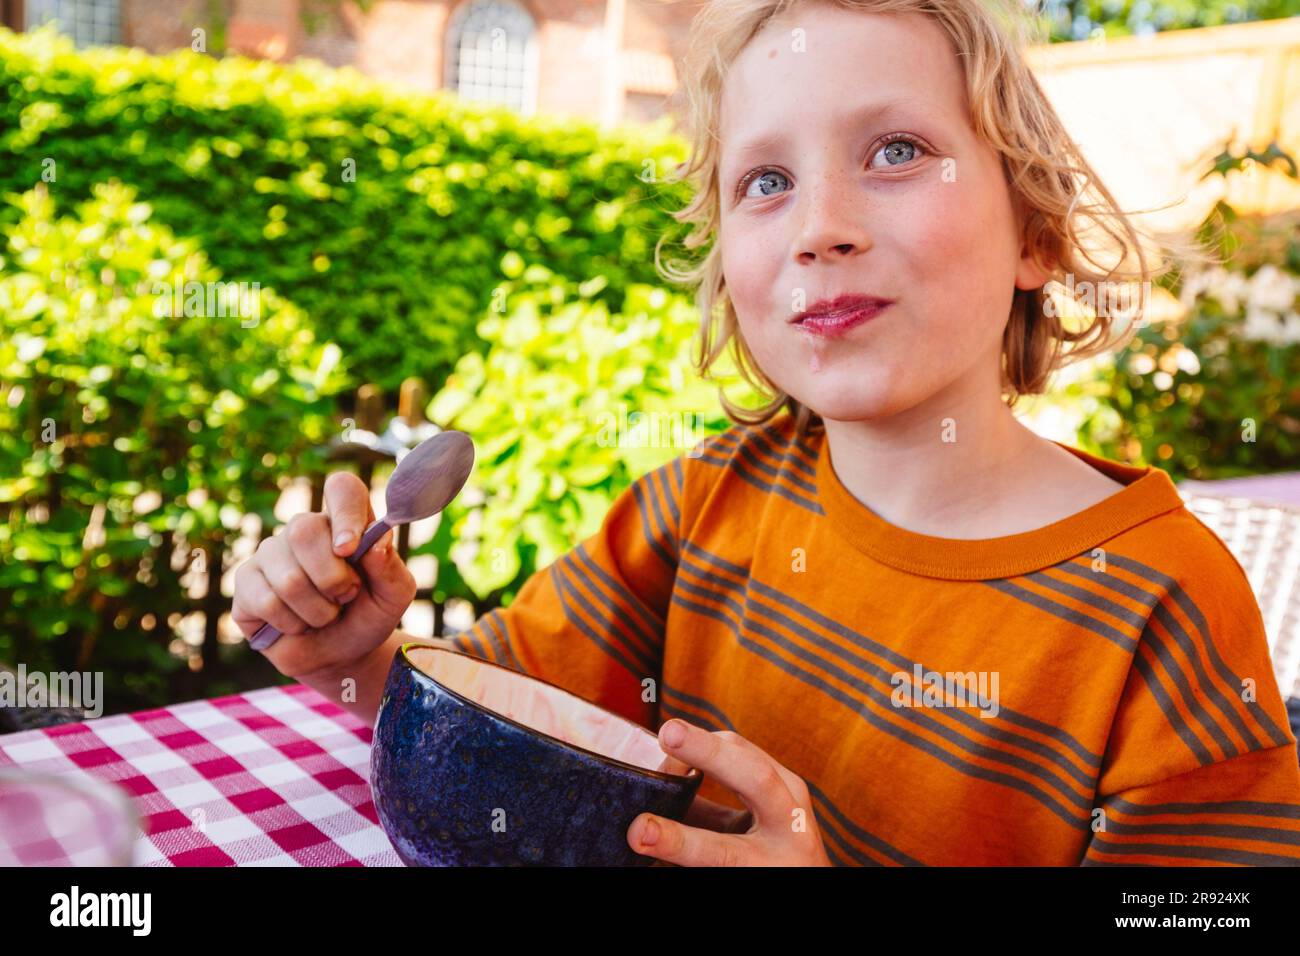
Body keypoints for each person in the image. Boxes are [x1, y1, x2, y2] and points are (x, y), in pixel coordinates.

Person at [232, 0, 1300, 866]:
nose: (818, 224)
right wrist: (353, 653)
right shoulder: (700, 508)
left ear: (1034, 231)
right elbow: (496, 730)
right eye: (766, 181)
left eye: (894, 149)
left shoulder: (1161, 601)